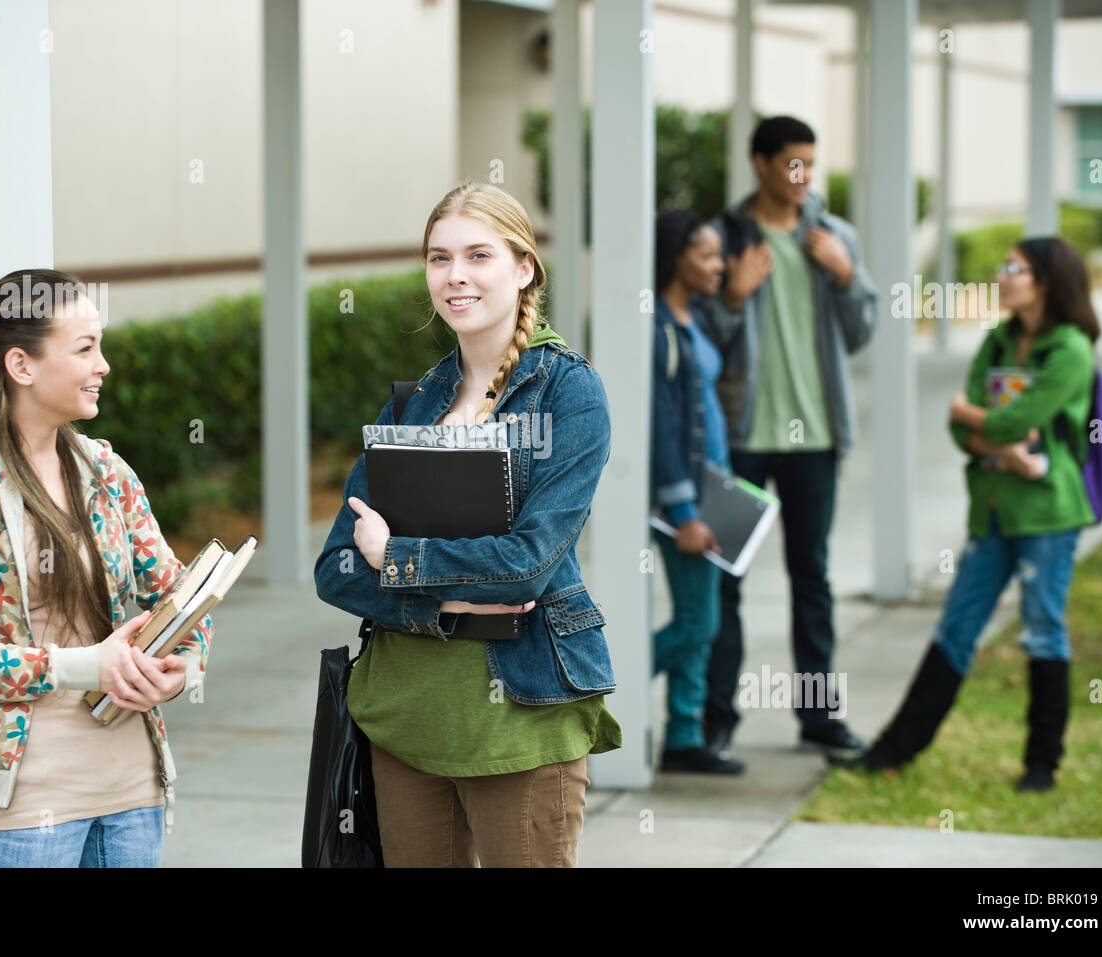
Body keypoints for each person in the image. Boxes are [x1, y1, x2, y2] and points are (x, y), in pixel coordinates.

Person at [313, 182, 621, 867]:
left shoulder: (569, 392)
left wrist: (396, 557)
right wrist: (451, 600)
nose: (455, 276)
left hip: (519, 716)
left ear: (523, 268)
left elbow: (530, 564)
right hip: (404, 718)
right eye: (438, 257)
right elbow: (335, 566)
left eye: (478, 255)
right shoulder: (416, 399)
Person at [0, 269, 212, 867]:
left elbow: (182, 591)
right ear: (21, 365)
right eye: (85, 348)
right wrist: (82, 667)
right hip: (23, 810)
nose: (105, 365)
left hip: (133, 795)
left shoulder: (105, 470)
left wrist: (185, 667)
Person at [832, 237, 1099, 792]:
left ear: (1046, 281)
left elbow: (1012, 418)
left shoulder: (1071, 349)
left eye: (1014, 268)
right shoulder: (998, 340)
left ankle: (1041, 767)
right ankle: (893, 751)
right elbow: (967, 429)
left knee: (1043, 631)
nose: (1002, 276)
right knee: (956, 628)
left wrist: (980, 421)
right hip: (994, 510)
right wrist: (995, 440)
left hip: (1048, 514)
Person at [695, 115, 878, 761]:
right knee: (724, 581)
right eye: (792, 163)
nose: (804, 176)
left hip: (815, 437)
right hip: (740, 437)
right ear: (761, 163)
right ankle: (715, 720)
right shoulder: (725, 239)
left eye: (811, 163)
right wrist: (735, 296)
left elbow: (862, 333)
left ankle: (820, 717)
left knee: (813, 577)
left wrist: (846, 276)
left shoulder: (834, 237)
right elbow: (701, 337)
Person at [649, 209, 744, 775]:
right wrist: (683, 509)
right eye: (707, 255)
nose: (720, 265)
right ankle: (592, 689)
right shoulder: (656, 325)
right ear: (676, 256)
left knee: (701, 616)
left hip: (713, 489)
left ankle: (684, 735)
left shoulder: (694, 315)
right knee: (697, 623)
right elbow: (661, 424)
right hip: (681, 499)